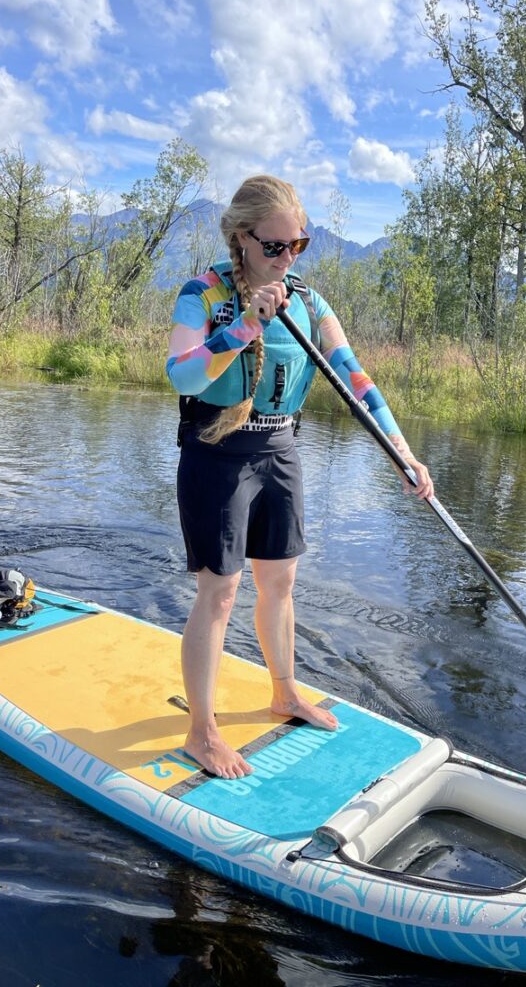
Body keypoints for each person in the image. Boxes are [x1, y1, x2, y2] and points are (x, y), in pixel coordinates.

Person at [166, 175, 433, 779]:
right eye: (275, 247)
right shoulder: (202, 295)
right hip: (218, 453)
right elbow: (181, 376)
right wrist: (242, 329)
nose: (287, 259)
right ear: (242, 238)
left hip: (280, 449)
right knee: (221, 591)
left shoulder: (310, 303)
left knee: (280, 583)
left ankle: (283, 692)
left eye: (299, 246)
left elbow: (355, 378)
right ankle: (201, 731)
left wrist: (403, 451)